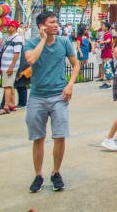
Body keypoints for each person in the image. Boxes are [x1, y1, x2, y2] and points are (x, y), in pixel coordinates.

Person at [24, 11, 81, 192]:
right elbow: (31, 59)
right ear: (42, 26)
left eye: (57, 22)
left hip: (59, 95)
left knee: (59, 135)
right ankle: (38, 175)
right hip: (37, 96)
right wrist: (42, 40)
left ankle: (56, 172)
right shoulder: (32, 43)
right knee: (38, 138)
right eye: (52, 22)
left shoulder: (64, 42)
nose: (56, 25)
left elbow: (76, 64)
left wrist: (70, 85)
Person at [0, 23, 23, 115]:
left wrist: (11, 66)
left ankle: (6, 106)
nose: (7, 28)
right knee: (10, 86)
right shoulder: (9, 37)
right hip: (5, 65)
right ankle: (12, 104)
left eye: (9, 26)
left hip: (9, 66)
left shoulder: (17, 38)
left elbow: (17, 53)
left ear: (14, 28)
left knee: (7, 86)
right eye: (7, 26)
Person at [98, 22, 114, 89]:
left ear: (107, 27)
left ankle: (108, 83)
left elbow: (108, 40)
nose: (102, 27)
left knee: (107, 68)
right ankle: (107, 82)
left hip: (107, 53)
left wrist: (103, 42)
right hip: (104, 52)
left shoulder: (108, 34)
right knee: (106, 67)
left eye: (103, 26)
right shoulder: (105, 34)